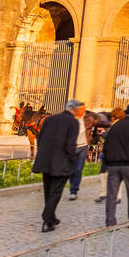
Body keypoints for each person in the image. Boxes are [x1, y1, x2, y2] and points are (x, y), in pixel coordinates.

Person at [33, 99, 83, 232]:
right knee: (55, 192)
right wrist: (73, 160)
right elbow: (70, 144)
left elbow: (40, 138)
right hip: (61, 162)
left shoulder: (50, 119)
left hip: (45, 160)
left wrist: (42, 154)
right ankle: (47, 217)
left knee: (48, 190)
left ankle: (51, 218)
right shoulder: (73, 122)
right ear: (75, 109)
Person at [102, 103, 129, 227]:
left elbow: (107, 145)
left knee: (111, 194)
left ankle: (110, 222)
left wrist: (109, 162)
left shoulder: (116, 126)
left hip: (114, 165)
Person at [68, 102, 91, 201]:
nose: (83, 111)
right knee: (71, 169)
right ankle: (73, 185)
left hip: (83, 147)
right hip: (72, 147)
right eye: (81, 109)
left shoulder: (87, 119)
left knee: (78, 169)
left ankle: (73, 191)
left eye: (84, 109)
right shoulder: (71, 119)